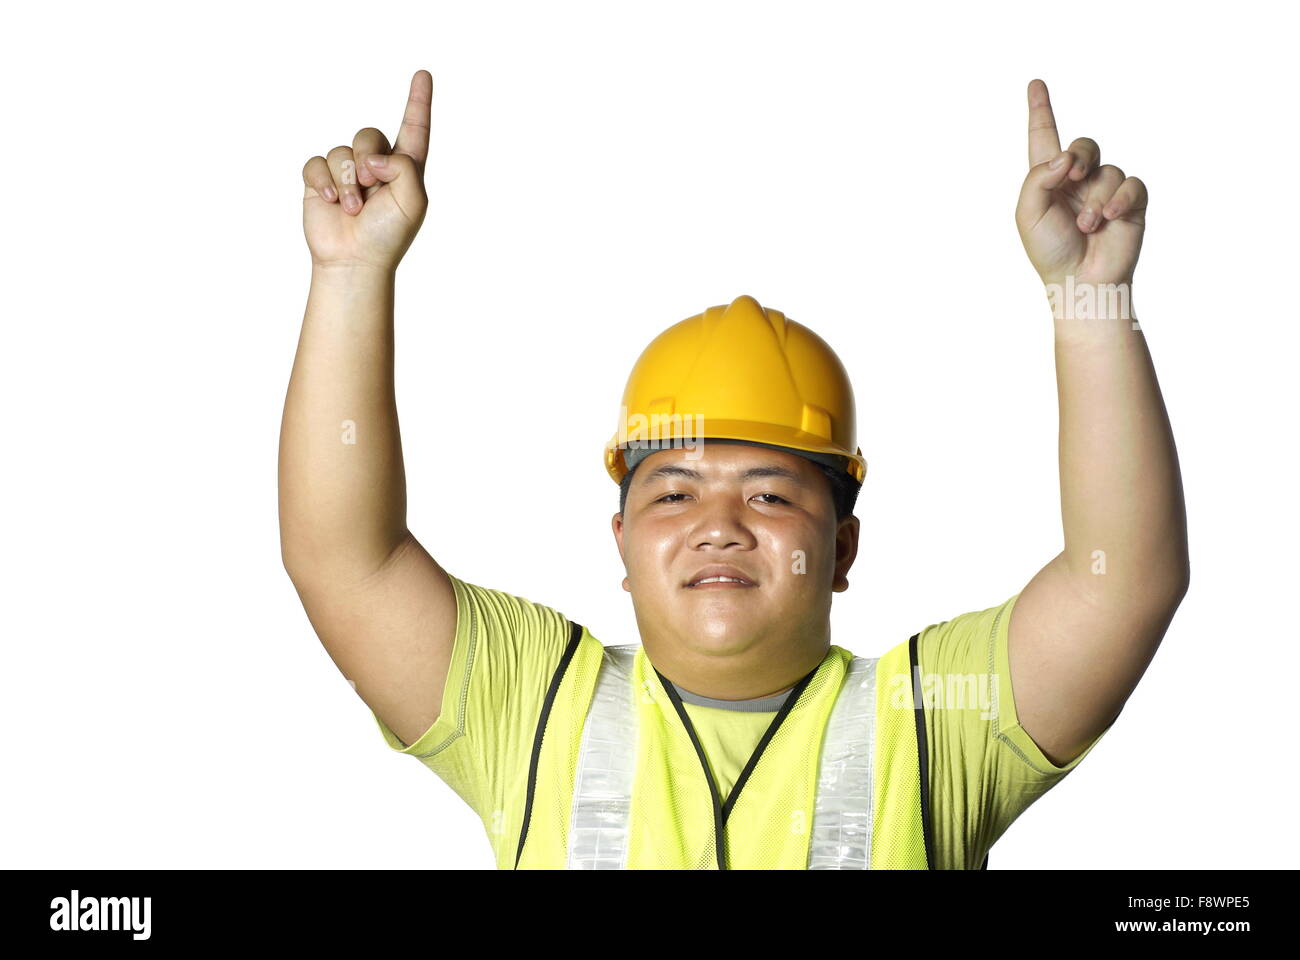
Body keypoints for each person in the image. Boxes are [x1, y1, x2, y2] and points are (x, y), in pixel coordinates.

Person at [279, 71, 1188, 869]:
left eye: (770, 492)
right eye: (674, 492)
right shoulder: (531, 706)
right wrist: (350, 278)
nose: (721, 522)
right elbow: (345, 560)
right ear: (622, 542)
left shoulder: (935, 725)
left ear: (841, 548)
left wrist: (1090, 297)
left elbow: (1122, 585)